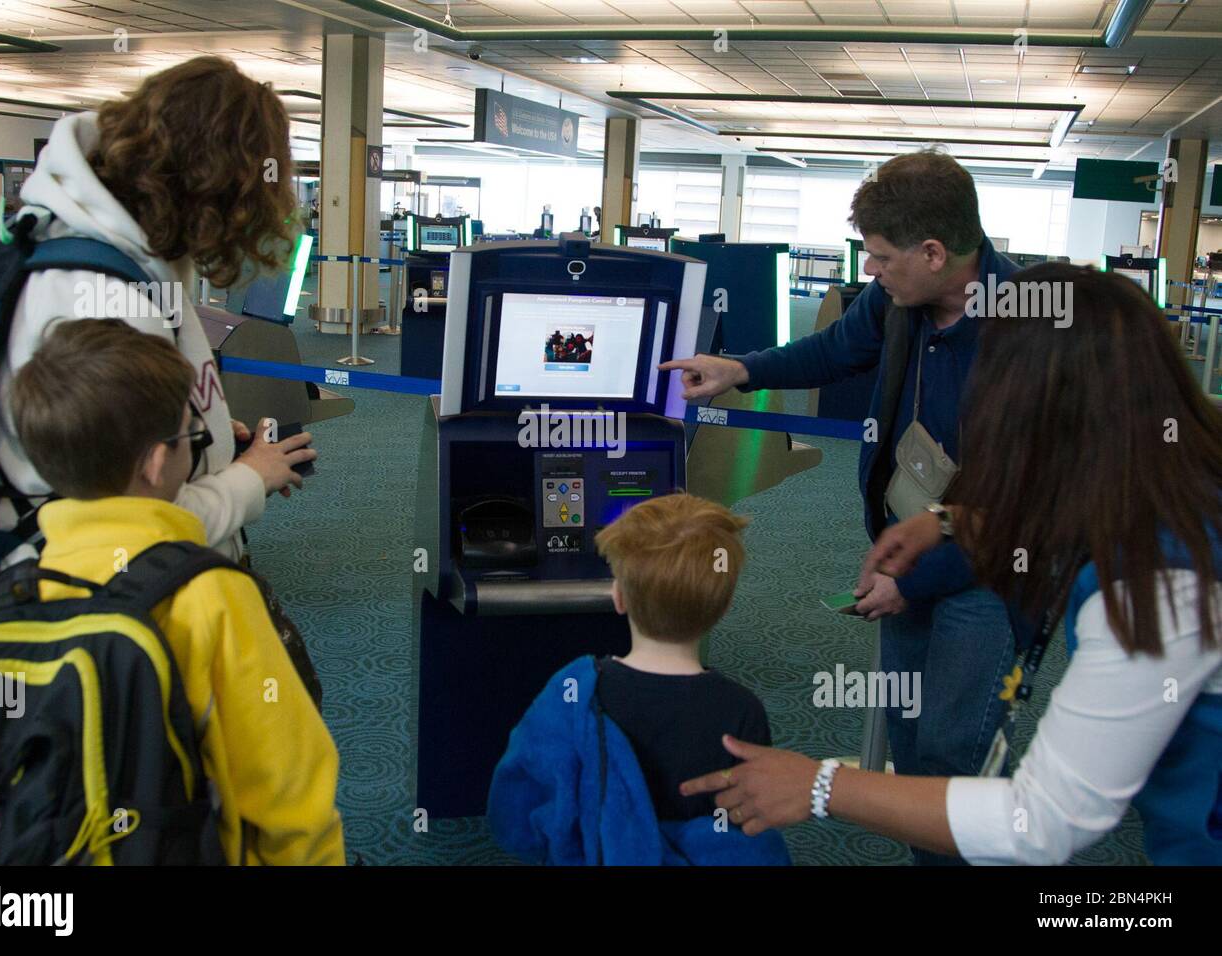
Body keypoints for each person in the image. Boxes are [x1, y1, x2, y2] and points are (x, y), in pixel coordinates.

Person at [680, 265, 1222, 865]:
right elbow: (1075, 511)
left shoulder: (1158, 580)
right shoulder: (1178, 483)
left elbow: (1040, 821)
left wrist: (820, 785)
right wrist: (950, 522)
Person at [659, 150, 1024, 864]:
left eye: (883, 258)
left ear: (933, 251)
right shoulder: (897, 303)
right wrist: (743, 369)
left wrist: (913, 575)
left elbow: (1024, 508)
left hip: (990, 573)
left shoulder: (1029, 336)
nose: (872, 273)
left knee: (960, 748)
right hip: (903, 554)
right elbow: (830, 352)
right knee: (913, 733)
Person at [11, 319, 345, 865]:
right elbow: (288, 787)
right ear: (157, 461)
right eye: (194, 433)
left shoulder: (16, 593)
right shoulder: (214, 596)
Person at [0, 55, 315, 571]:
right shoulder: (103, 300)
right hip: (100, 602)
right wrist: (251, 478)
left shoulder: (130, 251)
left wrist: (199, 429)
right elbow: (134, 526)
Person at [487, 493, 789, 865]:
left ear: (618, 597)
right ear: (724, 607)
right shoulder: (743, 710)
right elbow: (750, 820)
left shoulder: (575, 694)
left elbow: (518, 806)